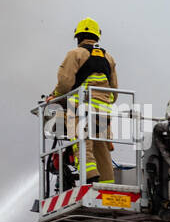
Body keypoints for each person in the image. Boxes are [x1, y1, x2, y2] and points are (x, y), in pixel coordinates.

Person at [46, 18, 118, 185]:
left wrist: (54, 96)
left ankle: (90, 176)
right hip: (103, 113)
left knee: (82, 142)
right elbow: (114, 92)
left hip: (80, 109)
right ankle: (107, 183)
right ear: (96, 37)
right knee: (101, 148)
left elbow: (65, 83)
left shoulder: (75, 54)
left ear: (78, 37)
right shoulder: (109, 58)